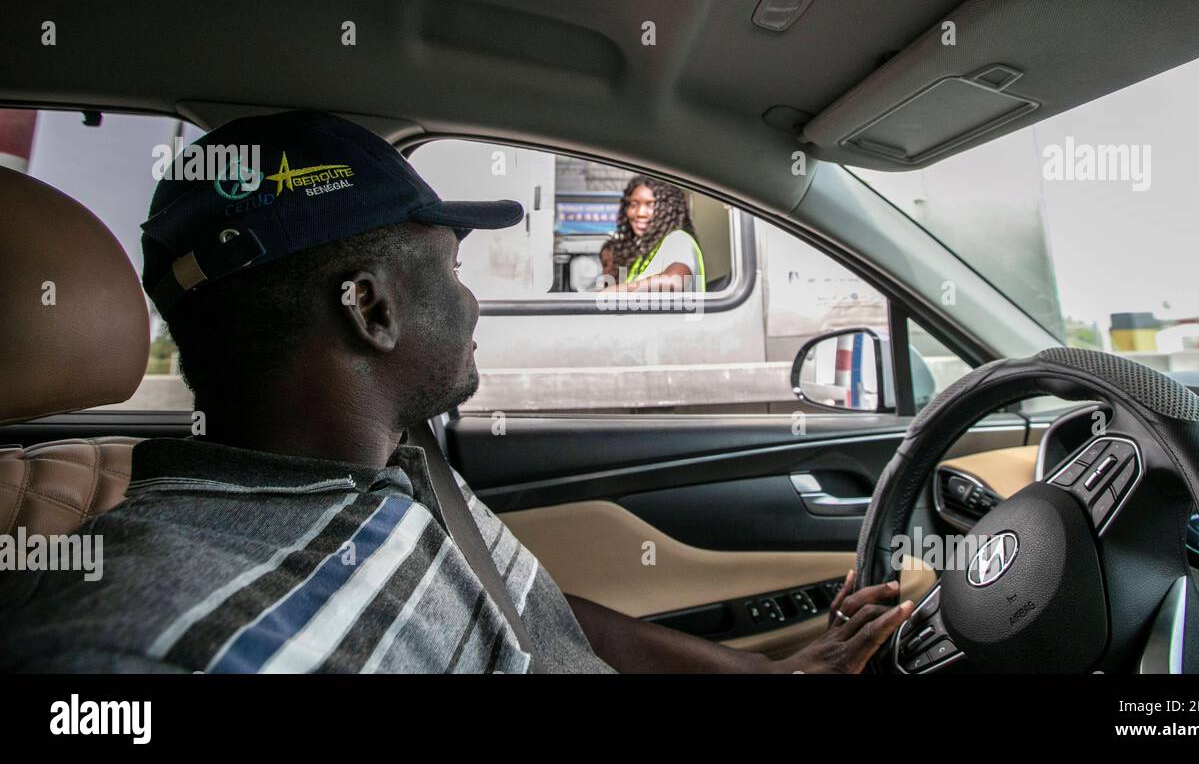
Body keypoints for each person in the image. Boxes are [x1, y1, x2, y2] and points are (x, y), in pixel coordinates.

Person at [0, 111, 911, 673]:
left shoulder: (387, 470)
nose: (473, 299)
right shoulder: (148, 642)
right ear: (372, 309)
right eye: (452, 265)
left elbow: (535, 620)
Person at [600, 176, 706, 293]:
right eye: (634, 204)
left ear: (668, 208)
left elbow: (675, 281)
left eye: (651, 205)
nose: (640, 213)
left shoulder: (679, 239)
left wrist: (612, 291)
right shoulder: (643, 254)